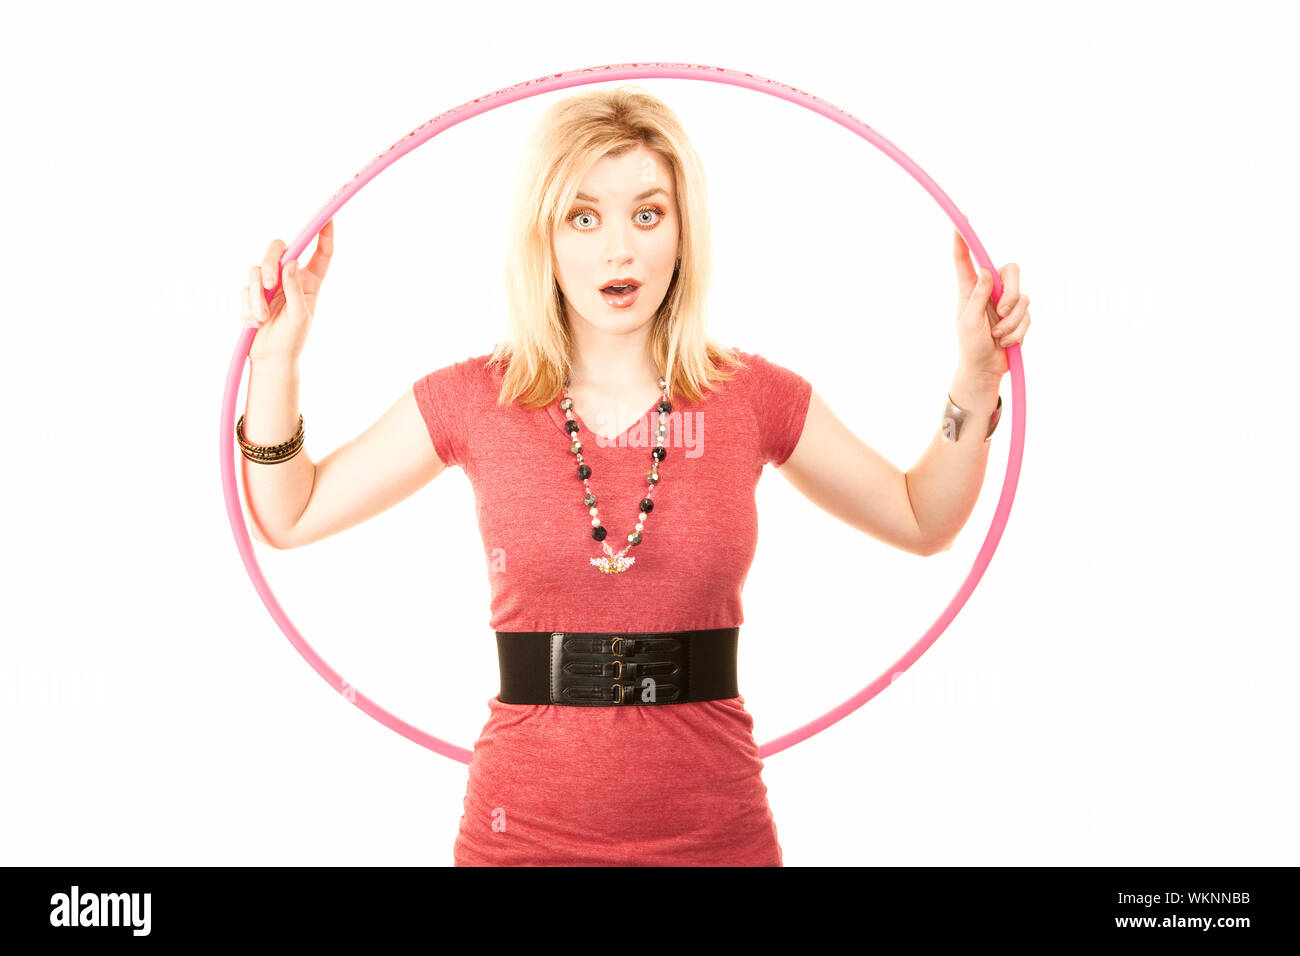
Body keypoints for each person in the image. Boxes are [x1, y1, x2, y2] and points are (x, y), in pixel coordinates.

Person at [236, 85, 1032, 866]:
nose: (619, 249)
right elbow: (290, 514)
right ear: (541, 237)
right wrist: (276, 360)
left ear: (683, 234)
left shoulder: (754, 396)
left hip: (718, 835)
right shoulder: (471, 398)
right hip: (520, 840)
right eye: (584, 217)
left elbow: (923, 516)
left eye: (647, 214)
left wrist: (973, 377)